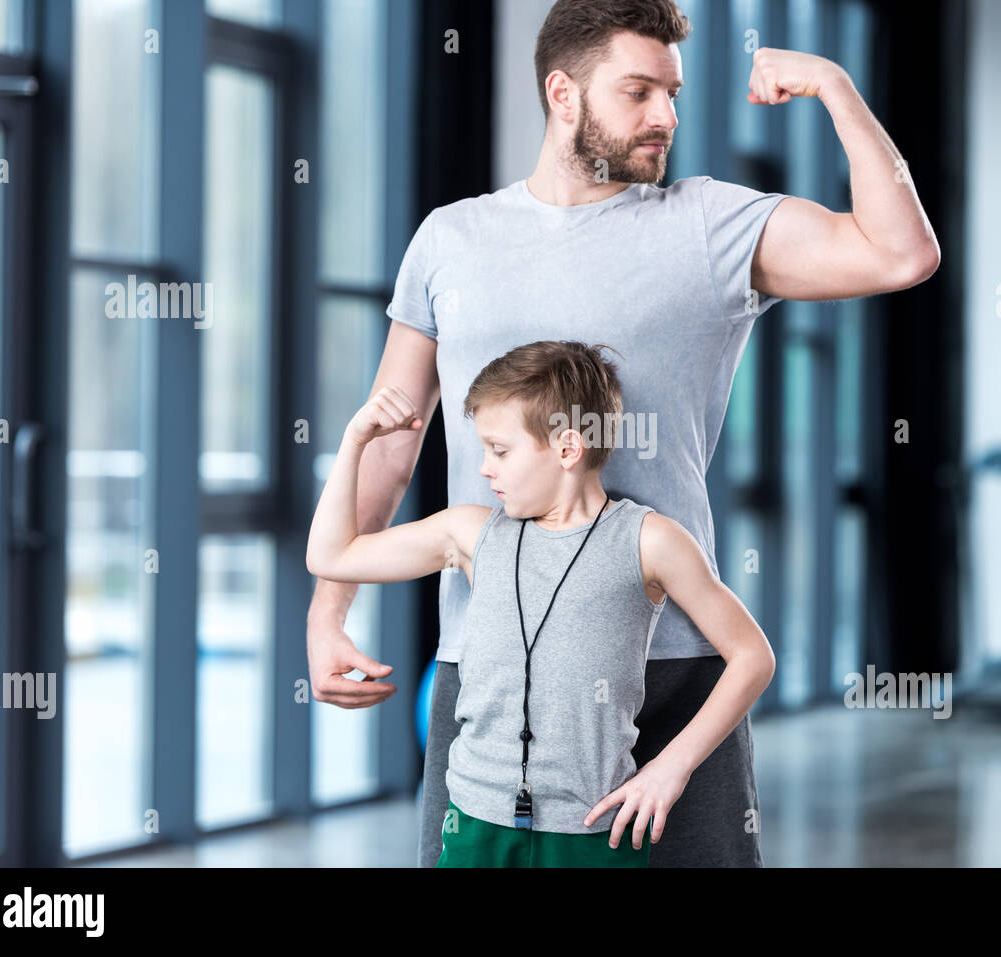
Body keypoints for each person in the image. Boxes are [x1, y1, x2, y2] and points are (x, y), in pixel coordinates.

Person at [304, 0, 939, 868]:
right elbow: (392, 430)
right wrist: (330, 608)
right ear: (562, 93)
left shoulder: (711, 226)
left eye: (672, 93)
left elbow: (900, 253)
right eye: (638, 91)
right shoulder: (451, 240)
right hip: (491, 665)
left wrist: (834, 88)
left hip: (676, 663)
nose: (666, 116)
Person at [307, 341, 775, 866]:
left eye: (500, 451)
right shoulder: (471, 533)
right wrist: (354, 441)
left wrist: (672, 767)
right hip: (474, 824)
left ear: (568, 448)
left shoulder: (650, 541)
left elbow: (753, 656)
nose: (485, 469)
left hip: (595, 832)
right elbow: (331, 555)